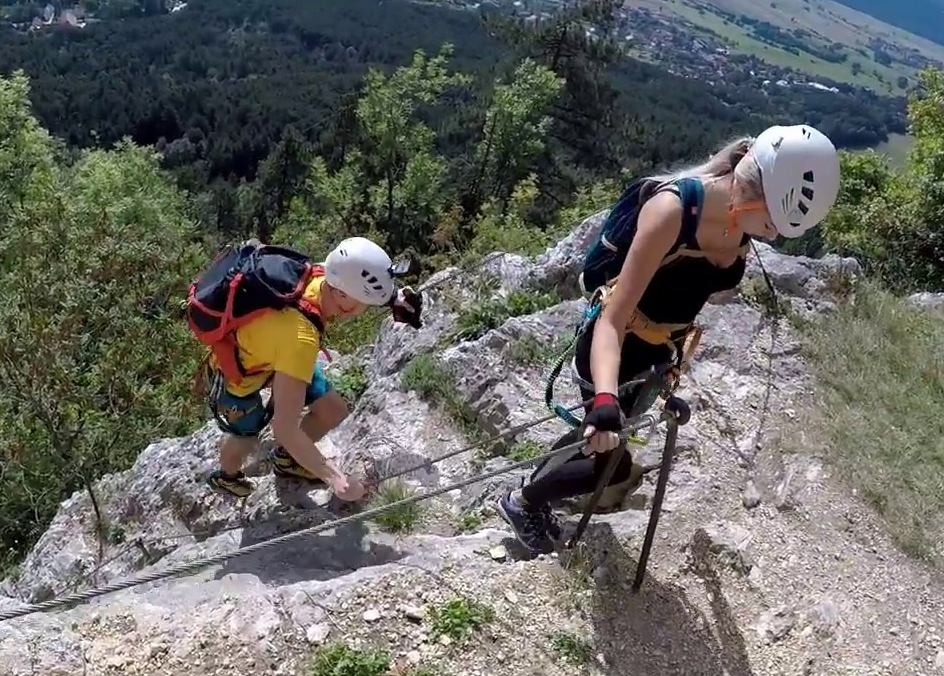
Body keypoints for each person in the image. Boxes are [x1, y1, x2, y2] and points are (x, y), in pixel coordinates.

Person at [498, 124, 841, 554]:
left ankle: (542, 482)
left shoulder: (741, 222)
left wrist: (668, 362)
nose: (770, 236)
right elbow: (612, 319)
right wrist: (604, 397)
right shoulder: (672, 213)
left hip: (656, 356)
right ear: (749, 189)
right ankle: (521, 501)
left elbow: (688, 296)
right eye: (770, 223)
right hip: (611, 351)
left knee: (603, 439)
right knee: (605, 465)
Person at [201, 236, 423, 500]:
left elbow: (355, 279)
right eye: (366, 304)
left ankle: (287, 460)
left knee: (333, 410)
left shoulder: (319, 273)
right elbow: (284, 428)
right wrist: (336, 479)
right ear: (344, 297)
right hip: (239, 373)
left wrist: (394, 299)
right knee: (245, 437)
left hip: (275, 354)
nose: (365, 310)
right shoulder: (301, 339)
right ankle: (227, 478)